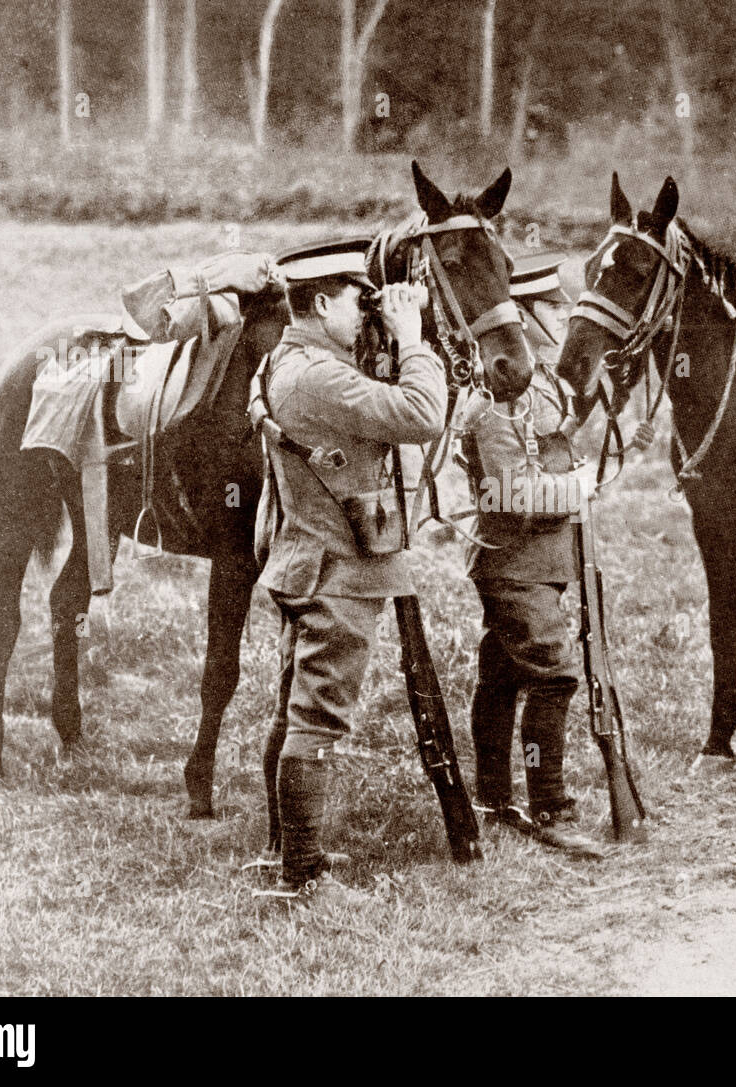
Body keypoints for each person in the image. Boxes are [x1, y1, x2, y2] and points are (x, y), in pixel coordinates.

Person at [251, 238, 445, 902]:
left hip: (306, 560)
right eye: (357, 302)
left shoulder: (286, 359)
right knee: (318, 717)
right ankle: (303, 874)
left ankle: (284, 852)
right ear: (323, 300)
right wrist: (414, 337)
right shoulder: (319, 377)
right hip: (338, 567)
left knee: (294, 706)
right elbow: (421, 415)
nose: (366, 314)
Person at [460, 253, 604, 858]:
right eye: (554, 308)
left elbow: (560, 428)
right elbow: (513, 493)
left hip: (534, 565)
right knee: (555, 675)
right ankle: (549, 802)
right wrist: (580, 487)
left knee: (501, 675)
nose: (566, 317)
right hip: (514, 563)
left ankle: (493, 798)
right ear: (525, 314)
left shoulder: (534, 387)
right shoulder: (496, 402)